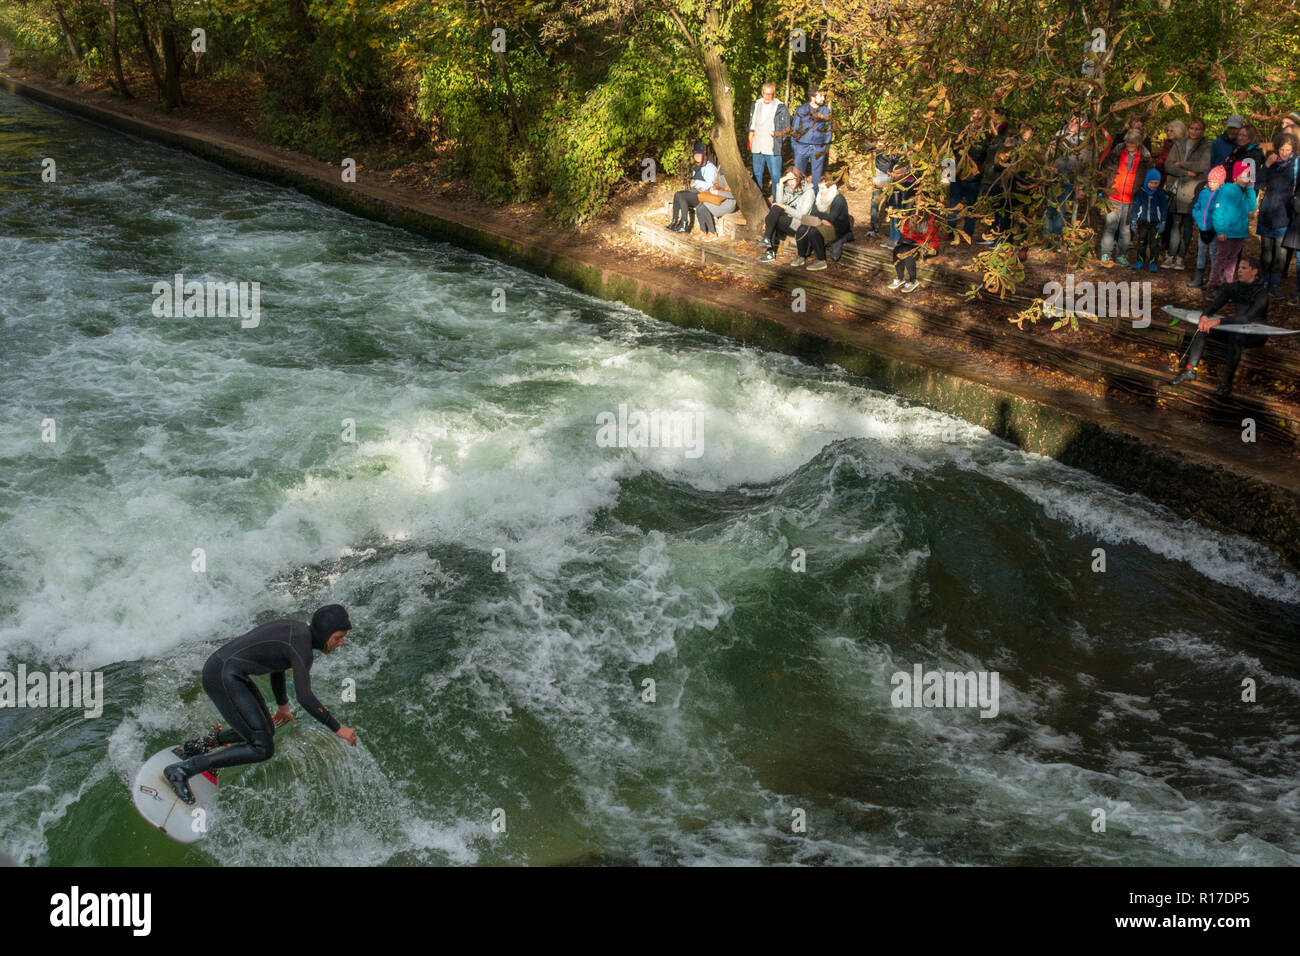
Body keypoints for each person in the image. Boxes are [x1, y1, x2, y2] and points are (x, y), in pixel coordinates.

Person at [163, 605, 357, 806]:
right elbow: (305, 697)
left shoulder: (297, 633)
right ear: (325, 633)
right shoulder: (302, 647)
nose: (341, 642)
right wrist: (338, 728)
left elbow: (279, 667)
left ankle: (196, 747)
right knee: (262, 748)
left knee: (264, 730)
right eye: (338, 637)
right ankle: (181, 770)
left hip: (227, 672)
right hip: (224, 675)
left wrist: (282, 706)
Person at [1168, 258, 1271, 397]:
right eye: (1239, 267)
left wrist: (1217, 322)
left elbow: (1247, 319)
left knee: (1236, 337)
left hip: (1256, 333)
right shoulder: (1232, 287)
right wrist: (1205, 316)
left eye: (1244, 268)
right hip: (1235, 328)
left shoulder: (1262, 293)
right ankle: (1190, 371)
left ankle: (1226, 385)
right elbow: (1214, 305)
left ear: (1254, 271)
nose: (1239, 270)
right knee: (1202, 329)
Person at [1162, 117, 1211, 268]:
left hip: (1192, 190)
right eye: (1192, 128)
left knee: (1188, 225)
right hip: (1175, 190)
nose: (1194, 132)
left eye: (1198, 129)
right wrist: (1185, 172)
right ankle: (1171, 255)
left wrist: (1182, 163)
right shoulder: (1179, 143)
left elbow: (1202, 166)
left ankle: (1181, 257)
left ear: (1202, 131)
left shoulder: (1206, 147)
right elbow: (1168, 165)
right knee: (1175, 224)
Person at [1098, 129, 1151, 266]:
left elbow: (1148, 178)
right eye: (1127, 142)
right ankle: (1105, 254)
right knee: (1110, 227)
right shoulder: (1117, 152)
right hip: (1113, 196)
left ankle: (1121, 256)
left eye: (1132, 143)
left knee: (1125, 231)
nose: (1129, 145)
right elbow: (1105, 168)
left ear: (1138, 143)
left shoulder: (1145, 158)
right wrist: (1106, 186)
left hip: (1131, 200)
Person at [1206, 160, 1257, 295]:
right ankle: (1213, 285)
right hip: (1227, 233)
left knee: (1233, 260)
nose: (1245, 180)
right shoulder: (1226, 191)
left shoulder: (1245, 192)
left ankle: (1227, 285)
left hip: (1239, 233)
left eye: (1248, 176)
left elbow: (1252, 206)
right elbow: (1218, 212)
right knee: (1221, 259)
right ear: (1235, 177)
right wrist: (1220, 230)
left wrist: (1251, 188)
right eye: (1243, 176)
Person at [1257, 132, 1298, 297]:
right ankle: (1264, 282)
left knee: (1280, 254)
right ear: (1277, 148)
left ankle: (1275, 284)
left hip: (1284, 214)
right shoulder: (1271, 163)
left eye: (1288, 149)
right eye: (1282, 149)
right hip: (1267, 212)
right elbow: (1258, 183)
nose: (1285, 152)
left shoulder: (1296, 165)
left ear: (1293, 148)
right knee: (1266, 252)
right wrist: (1266, 165)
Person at [791, 175, 852, 271]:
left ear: (830, 187)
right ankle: (801, 256)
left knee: (813, 231)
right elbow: (814, 212)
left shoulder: (839, 199)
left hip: (837, 228)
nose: (820, 191)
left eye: (823, 188)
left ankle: (821, 261)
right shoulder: (819, 197)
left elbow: (832, 217)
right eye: (819, 188)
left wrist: (821, 218)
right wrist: (822, 219)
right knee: (801, 228)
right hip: (822, 223)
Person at [759, 165, 815, 261]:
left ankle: (769, 249)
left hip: (800, 225)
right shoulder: (789, 188)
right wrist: (780, 183)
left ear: (799, 177)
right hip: (788, 220)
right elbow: (779, 203)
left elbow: (802, 215)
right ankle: (767, 241)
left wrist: (785, 207)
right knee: (775, 211)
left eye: (793, 179)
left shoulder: (809, 192)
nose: (791, 182)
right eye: (788, 180)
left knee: (773, 218)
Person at [1044, 113, 1085, 238]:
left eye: (1077, 122)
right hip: (1053, 177)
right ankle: (1047, 238)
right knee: (1049, 208)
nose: (1073, 124)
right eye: (1071, 120)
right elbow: (1048, 156)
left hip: (1069, 179)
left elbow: (1085, 166)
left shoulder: (1083, 141)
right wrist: (1044, 177)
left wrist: (1081, 186)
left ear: (1082, 124)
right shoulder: (1059, 135)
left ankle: (1055, 240)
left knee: (1060, 209)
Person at [748, 83, 791, 201]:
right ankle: (757, 201)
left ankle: (777, 202)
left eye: (770, 94)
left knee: (776, 176)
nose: (767, 96)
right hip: (757, 147)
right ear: (762, 92)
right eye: (765, 93)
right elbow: (752, 125)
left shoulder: (781, 107)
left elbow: (787, 129)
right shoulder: (756, 105)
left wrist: (777, 141)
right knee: (757, 175)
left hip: (773, 148)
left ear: (774, 94)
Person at [1187, 165, 1226, 289]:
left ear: (1220, 182)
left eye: (1215, 182)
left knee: (1214, 254)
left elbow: (1223, 213)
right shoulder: (1204, 192)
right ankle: (1198, 278)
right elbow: (1197, 206)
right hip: (1202, 228)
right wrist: (1197, 216)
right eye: (1210, 181)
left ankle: (1213, 280)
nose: (1212, 184)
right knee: (1201, 252)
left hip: (1214, 230)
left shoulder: (1222, 195)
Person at [667, 142, 718, 234]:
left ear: (703, 155)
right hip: (695, 192)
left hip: (705, 195)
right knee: (677, 194)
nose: (697, 157)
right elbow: (693, 183)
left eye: (699, 154)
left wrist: (697, 183)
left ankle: (684, 225)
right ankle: (674, 222)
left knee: (682, 196)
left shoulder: (710, 167)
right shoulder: (696, 166)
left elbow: (711, 184)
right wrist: (694, 184)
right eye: (695, 154)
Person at [792, 86, 832, 197]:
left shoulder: (825, 111)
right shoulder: (801, 109)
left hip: (818, 148)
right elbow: (795, 129)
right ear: (812, 96)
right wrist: (795, 146)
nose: (823, 98)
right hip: (802, 147)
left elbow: (828, 130)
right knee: (798, 174)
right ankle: (798, 197)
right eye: (820, 96)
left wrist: (825, 148)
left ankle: (814, 200)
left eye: (823, 96)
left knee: (817, 176)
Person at [889, 213, 941, 293]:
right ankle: (900, 278)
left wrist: (913, 239)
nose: (916, 215)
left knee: (907, 253)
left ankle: (913, 280)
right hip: (912, 244)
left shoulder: (930, 223)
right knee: (897, 250)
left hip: (928, 248)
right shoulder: (910, 219)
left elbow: (927, 240)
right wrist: (910, 239)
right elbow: (905, 233)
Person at [1130, 169, 1168, 271]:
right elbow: (1137, 206)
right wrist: (1134, 220)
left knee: (1154, 244)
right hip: (1143, 222)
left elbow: (1164, 208)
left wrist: (1163, 221)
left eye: (1156, 183)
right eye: (1151, 183)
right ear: (1147, 181)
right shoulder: (1141, 192)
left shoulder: (1160, 193)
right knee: (1141, 242)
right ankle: (1140, 260)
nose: (1154, 185)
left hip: (1155, 223)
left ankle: (1153, 263)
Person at [695, 170, 736, 242]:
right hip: (720, 198)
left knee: (705, 206)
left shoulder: (734, 175)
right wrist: (712, 188)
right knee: (699, 206)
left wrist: (717, 192)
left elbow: (734, 195)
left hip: (729, 202)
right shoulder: (721, 171)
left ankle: (712, 233)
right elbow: (717, 184)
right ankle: (703, 231)